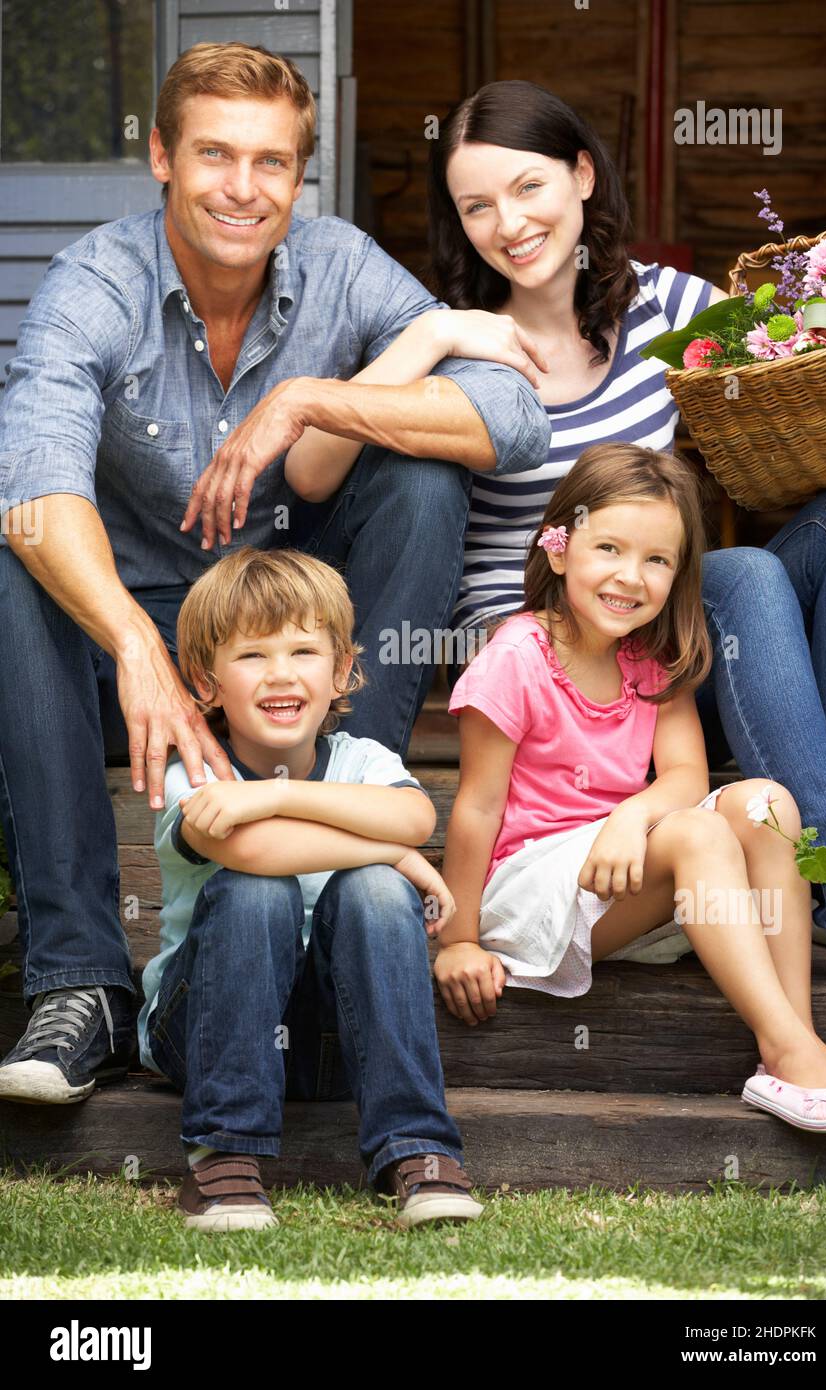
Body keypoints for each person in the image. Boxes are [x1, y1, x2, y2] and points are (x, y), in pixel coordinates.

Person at [0, 45, 550, 1105]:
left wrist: (305, 402)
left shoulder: (341, 265)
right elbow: (34, 481)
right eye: (214, 154)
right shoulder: (95, 284)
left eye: (271, 163)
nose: (242, 189)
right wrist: (135, 648)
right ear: (162, 156)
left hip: (299, 657)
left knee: (421, 475)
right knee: (16, 556)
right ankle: (81, 982)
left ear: (300, 176)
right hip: (130, 653)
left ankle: (355, 863)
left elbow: (513, 420)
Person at [306, 77, 826, 998]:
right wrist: (431, 336)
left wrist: (823, 319)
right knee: (744, 577)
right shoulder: (461, 345)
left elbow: (792, 361)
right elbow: (314, 469)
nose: (509, 224)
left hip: (654, 665)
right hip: (540, 683)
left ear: (582, 176)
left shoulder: (662, 308)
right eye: (476, 206)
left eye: (528, 187)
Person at [436, 444, 826, 1134]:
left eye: (657, 560)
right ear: (558, 550)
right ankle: (789, 1050)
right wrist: (458, 940)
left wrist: (628, 818)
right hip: (530, 892)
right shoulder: (516, 656)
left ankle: (795, 1040)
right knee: (696, 832)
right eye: (608, 548)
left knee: (767, 804)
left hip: (620, 872)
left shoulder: (651, 658)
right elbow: (477, 807)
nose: (630, 577)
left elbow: (687, 776)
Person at [139, 544, 482, 1230]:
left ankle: (417, 1149)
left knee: (376, 891)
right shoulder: (195, 773)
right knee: (257, 890)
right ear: (206, 682)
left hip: (336, 1043)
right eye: (252, 655)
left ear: (342, 670)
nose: (281, 673)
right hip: (205, 1040)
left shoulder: (362, 760)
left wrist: (273, 796)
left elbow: (415, 817)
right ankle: (223, 1155)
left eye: (303, 651)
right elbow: (254, 851)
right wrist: (396, 853)